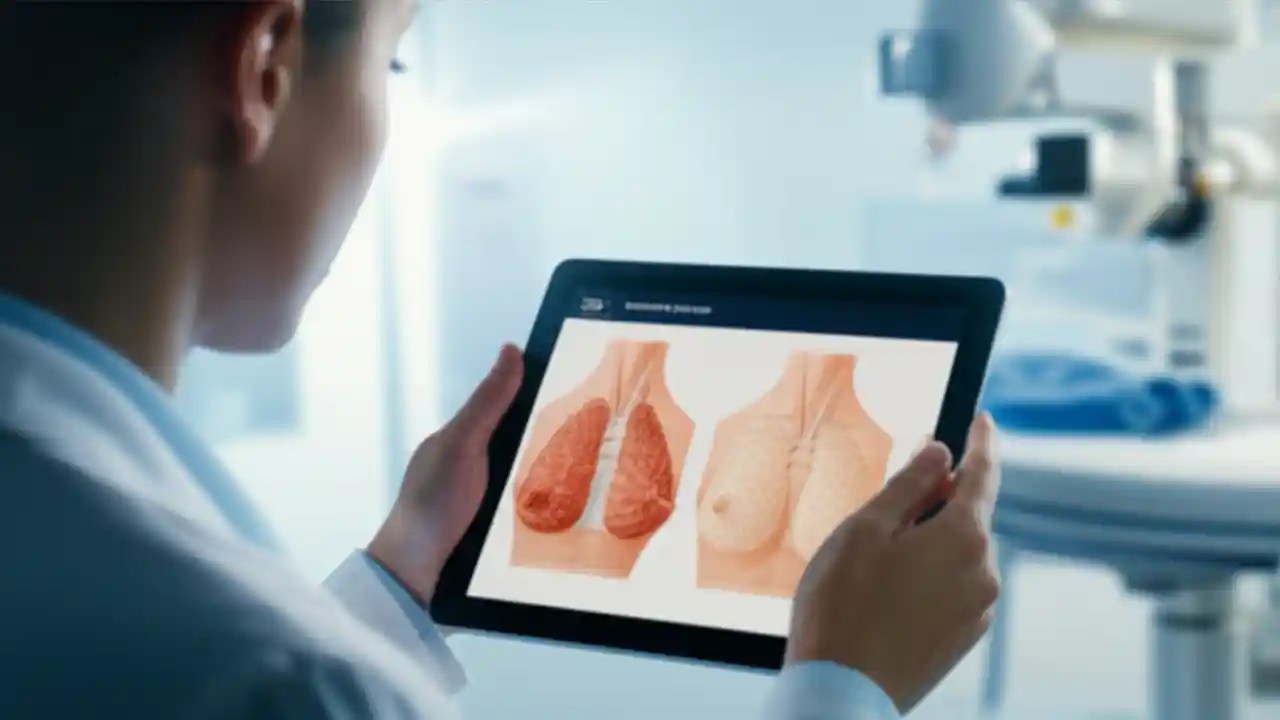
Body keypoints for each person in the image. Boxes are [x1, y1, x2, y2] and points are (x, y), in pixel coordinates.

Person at [0, 1, 1002, 718]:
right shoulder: (276, 676)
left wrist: (396, 583)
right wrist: (843, 689)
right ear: (265, 66)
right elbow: (261, 676)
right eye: (392, 65)